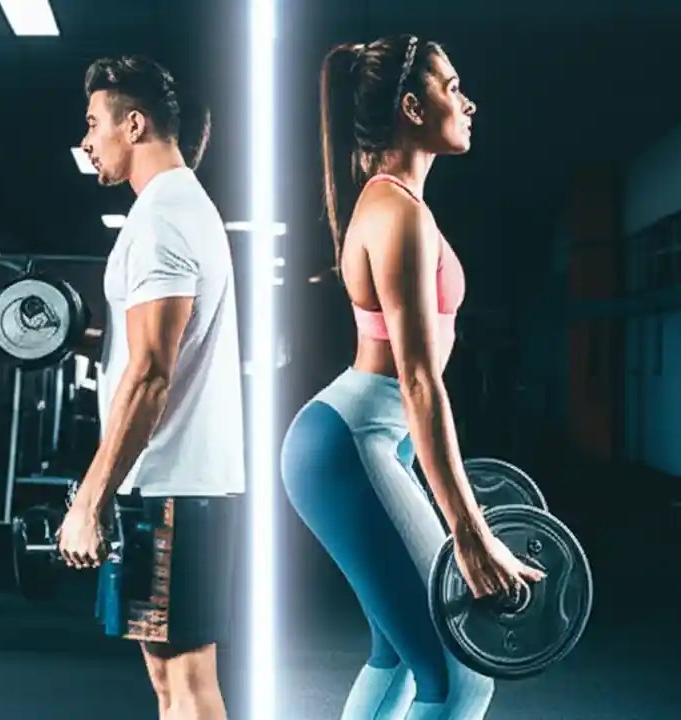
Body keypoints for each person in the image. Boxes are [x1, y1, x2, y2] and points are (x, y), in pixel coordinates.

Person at [279, 34, 545, 720]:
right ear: (410, 106)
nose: (467, 101)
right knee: (460, 674)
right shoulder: (396, 212)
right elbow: (420, 383)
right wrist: (470, 533)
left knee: (399, 656)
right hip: (349, 443)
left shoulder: (397, 206)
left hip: (367, 440)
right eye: (451, 86)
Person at [59, 55, 245, 720]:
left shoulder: (163, 217)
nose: (86, 141)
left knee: (189, 686)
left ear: (132, 125)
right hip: (169, 481)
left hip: (172, 482)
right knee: (171, 686)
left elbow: (151, 372)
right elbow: (145, 354)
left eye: (93, 124)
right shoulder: (174, 210)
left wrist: (89, 499)